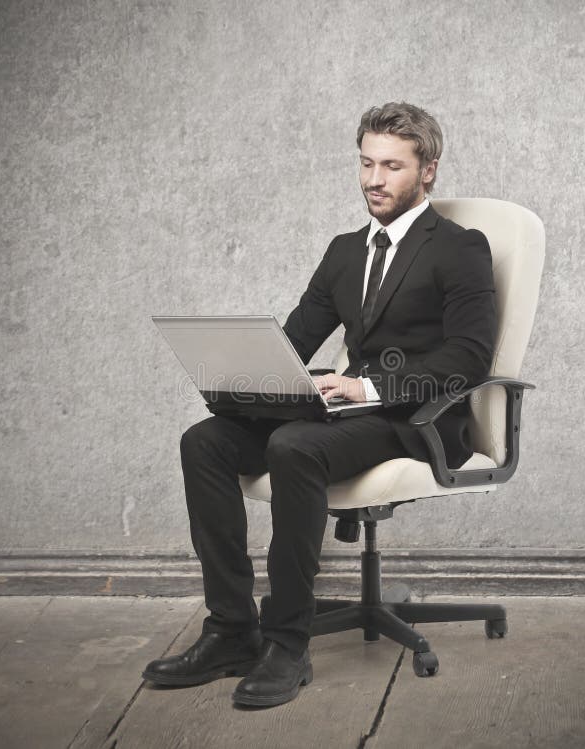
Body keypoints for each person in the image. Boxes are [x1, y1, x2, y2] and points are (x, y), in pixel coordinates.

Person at [142, 102, 496, 707]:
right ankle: (231, 630)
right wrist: (248, 378)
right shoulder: (344, 250)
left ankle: (287, 643)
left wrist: (365, 386)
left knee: (293, 445)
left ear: (428, 170)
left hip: (415, 420)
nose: (374, 180)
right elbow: (296, 341)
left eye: (391, 166)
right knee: (204, 440)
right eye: (366, 163)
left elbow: (468, 359)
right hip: (344, 415)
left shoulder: (459, 247)